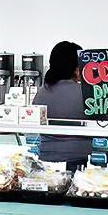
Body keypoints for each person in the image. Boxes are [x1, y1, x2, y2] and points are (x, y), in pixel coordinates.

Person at [32, 41, 90, 170]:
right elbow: (106, 122)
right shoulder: (85, 94)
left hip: (45, 162)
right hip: (80, 162)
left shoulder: (41, 93)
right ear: (77, 68)